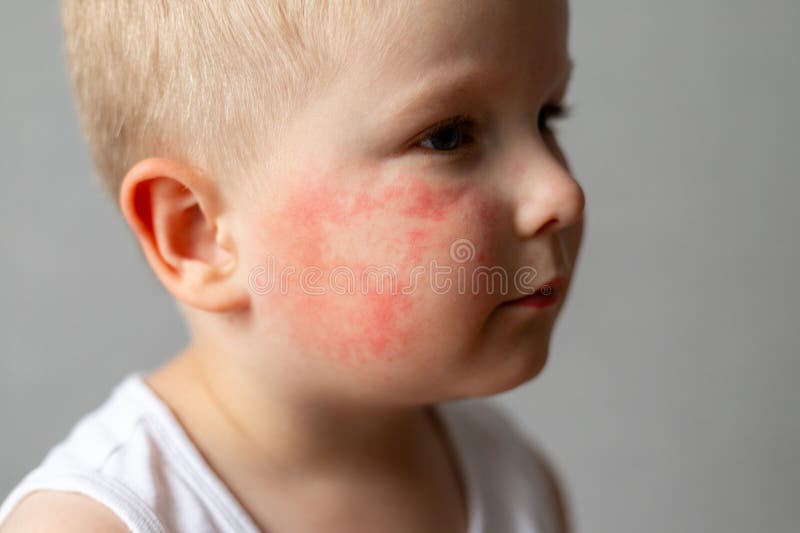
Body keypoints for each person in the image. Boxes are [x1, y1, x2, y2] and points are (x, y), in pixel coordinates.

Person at [0, 0, 585, 531]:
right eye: (447, 136)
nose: (561, 191)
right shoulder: (96, 525)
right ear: (200, 235)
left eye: (546, 116)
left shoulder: (513, 483)